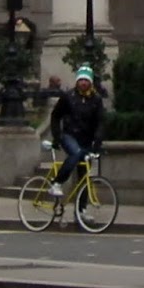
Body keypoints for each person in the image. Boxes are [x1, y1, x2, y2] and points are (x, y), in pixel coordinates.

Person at [49, 67, 105, 195]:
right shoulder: (68, 97)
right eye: (81, 80)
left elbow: (101, 121)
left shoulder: (96, 99)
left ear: (90, 82)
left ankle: (81, 211)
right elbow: (55, 116)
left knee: (84, 174)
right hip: (69, 135)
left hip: (86, 138)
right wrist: (57, 136)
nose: (83, 83)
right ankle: (57, 182)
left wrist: (98, 139)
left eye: (86, 80)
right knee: (75, 153)